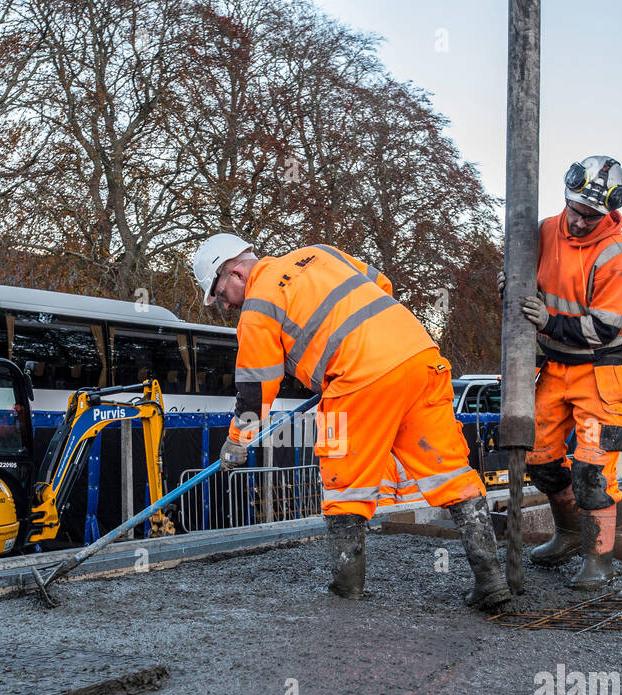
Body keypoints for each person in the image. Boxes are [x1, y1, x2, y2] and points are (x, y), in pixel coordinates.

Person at [192, 233, 512, 610]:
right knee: (450, 471)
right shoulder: (318, 252)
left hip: (359, 377)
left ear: (235, 272)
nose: (226, 306)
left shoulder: (259, 306)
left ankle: (348, 589)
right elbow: (380, 286)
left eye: (221, 295)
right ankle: (491, 582)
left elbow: (256, 384)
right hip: (420, 356)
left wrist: (238, 440)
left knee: (343, 483)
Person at [501, 155, 622, 590]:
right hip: (554, 368)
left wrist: (546, 321)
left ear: (609, 212)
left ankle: (599, 562)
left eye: (590, 216)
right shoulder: (544, 230)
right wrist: (512, 285)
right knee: (540, 460)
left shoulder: (618, 256)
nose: (579, 223)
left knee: (592, 473)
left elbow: (602, 328)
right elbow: (529, 284)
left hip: (599, 373)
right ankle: (569, 534)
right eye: (574, 210)